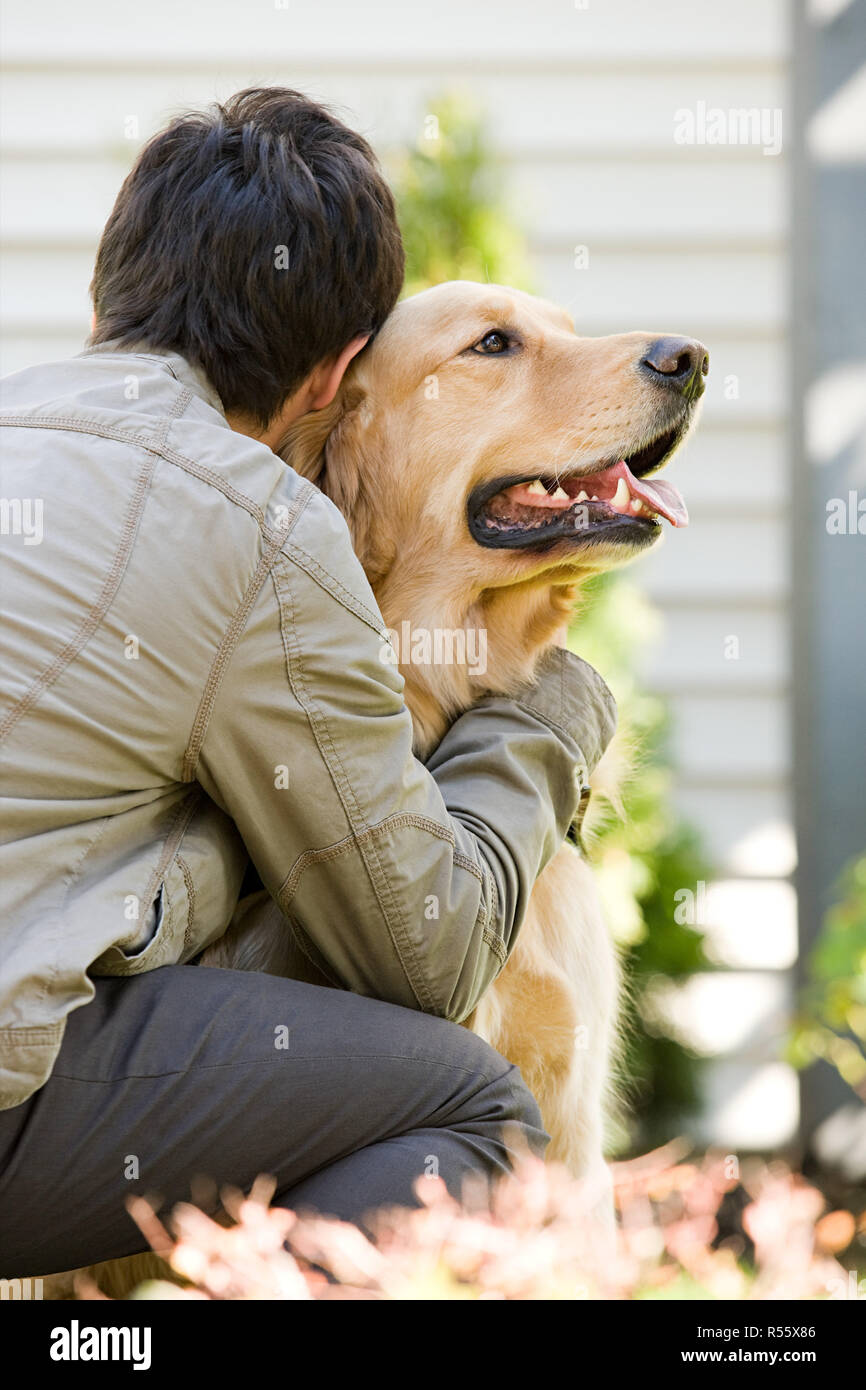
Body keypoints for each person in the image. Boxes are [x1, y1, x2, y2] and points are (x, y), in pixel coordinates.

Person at [0, 88, 616, 1276]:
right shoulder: (259, 523)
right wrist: (549, 714)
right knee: (470, 1106)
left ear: (109, 294)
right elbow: (426, 950)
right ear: (335, 376)